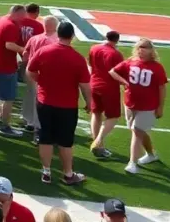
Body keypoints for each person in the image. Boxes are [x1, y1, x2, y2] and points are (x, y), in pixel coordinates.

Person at [26, 21, 89, 185]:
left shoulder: (43, 51)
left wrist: (40, 82)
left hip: (44, 102)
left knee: (45, 137)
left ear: (58, 34)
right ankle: (68, 174)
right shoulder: (77, 58)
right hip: (67, 106)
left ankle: (46, 172)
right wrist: (89, 102)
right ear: (72, 36)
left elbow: (30, 71)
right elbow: (84, 85)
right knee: (65, 141)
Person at [110, 38, 167, 174]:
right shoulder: (130, 61)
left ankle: (132, 163)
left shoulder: (156, 67)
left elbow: (162, 88)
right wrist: (123, 82)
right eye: (139, 47)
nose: (141, 50)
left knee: (137, 131)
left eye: (145, 47)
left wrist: (160, 107)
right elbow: (113, 72)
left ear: (151, 50)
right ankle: (151, 155)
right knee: (138, 131)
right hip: (130, 103)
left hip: (147, 106)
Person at [0, 5, 26, 136]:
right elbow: (9, 45)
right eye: (22, 16)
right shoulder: (10, 25)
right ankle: (5, 126)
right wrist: (24, 50)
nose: (22, 19)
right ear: (17, 13)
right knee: (9, 98)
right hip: (5, 66)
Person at [88, 30, 125, 159]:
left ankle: (99, 145)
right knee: (113, 117)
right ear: (117, 40)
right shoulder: (116, 54)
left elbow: (91, 65)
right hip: (108, 87)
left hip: (94, 84)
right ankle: (98, 142)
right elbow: (118, 73)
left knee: (96, 113)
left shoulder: (94, 48)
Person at [21, 16, 59, 138]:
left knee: (30, 96)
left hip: (30, 71)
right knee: (42, 100)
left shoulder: (34, 38)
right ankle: (38, 126)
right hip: (44, 74)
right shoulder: (56, 40)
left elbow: (25, 54)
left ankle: (28, 121)